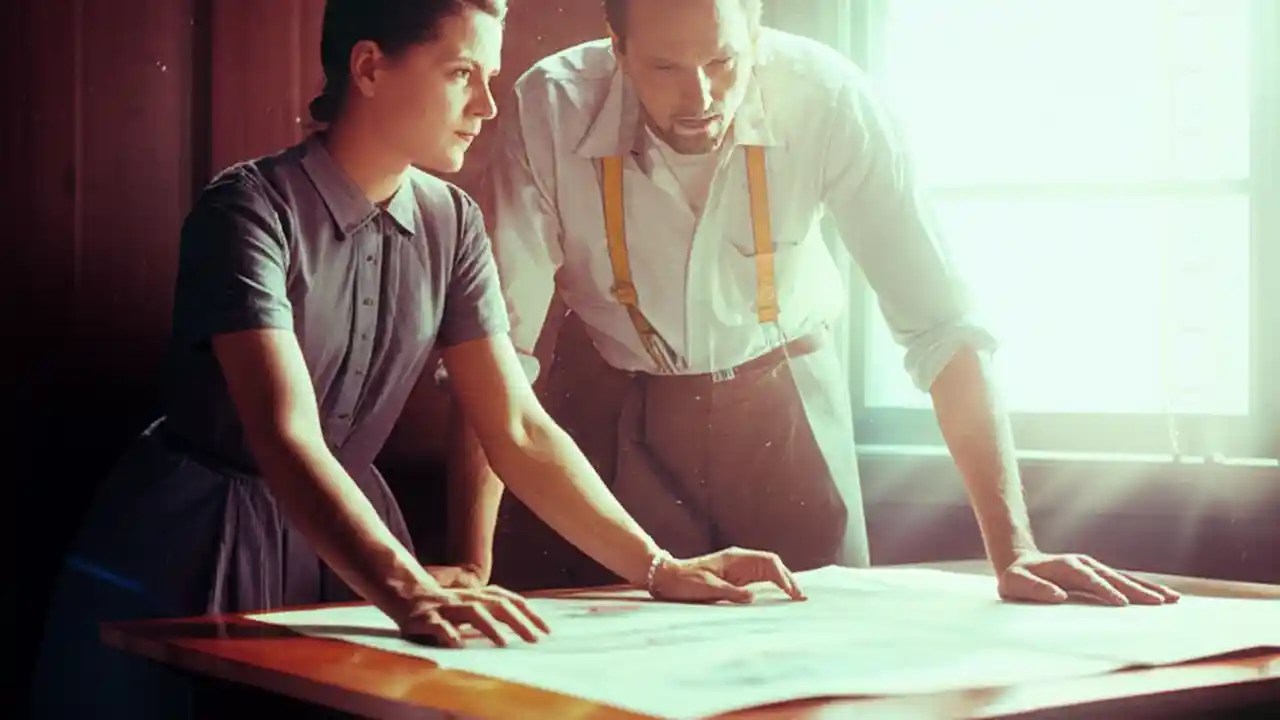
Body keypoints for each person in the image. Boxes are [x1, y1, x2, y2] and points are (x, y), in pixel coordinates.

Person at [29, 1, 804, 717]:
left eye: (491, 79)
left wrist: (658, 567)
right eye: (463, 73)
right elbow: (286, 435)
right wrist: (407, 591)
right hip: (201, 538)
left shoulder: (453, 221)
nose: (489, 106)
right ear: (368, 68)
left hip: (354, 547)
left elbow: (518, 430)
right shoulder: (248, 211)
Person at [466, 0, 1183, 607]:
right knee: (632, 646)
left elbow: (942, 324)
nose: (701, 99)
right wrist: (472, 567)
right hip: (623, 403)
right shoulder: (548, 105)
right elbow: (497, 352)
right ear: (615, 49)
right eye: (664, 69)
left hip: (789, 404)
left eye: (722, 63)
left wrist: (1014, 552)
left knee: (823, 646)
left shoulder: (828, 95)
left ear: (755, 32)